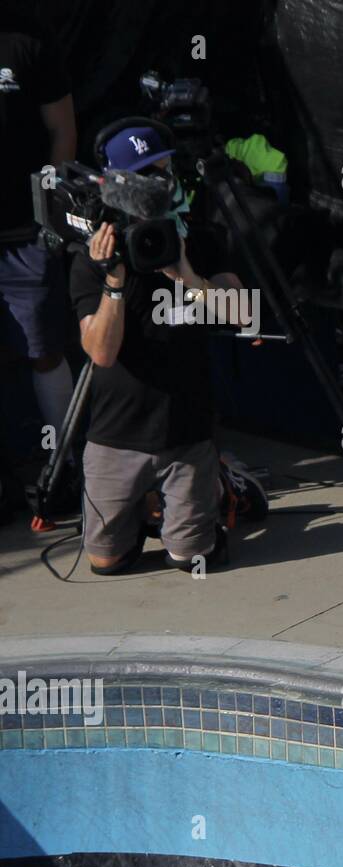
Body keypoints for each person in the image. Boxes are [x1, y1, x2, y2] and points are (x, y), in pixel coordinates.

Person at [71, 121, 255, 575]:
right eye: (142, 177)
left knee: (191, 560)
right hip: (117, 432)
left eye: (160, 172)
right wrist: (114, 280)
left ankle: (221, 484)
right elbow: (101, 354)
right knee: (106, 562)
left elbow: (245, 317)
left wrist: (190, 279)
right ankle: (143, 507)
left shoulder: (201, 239)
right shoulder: (92, 257)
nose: (155, 187)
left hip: (185, 431)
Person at [0, 8, 77, 439]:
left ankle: (63, 459)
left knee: (44, 350)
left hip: (25, 233)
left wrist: (48, 213)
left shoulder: (31, 36)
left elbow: (62, 131)